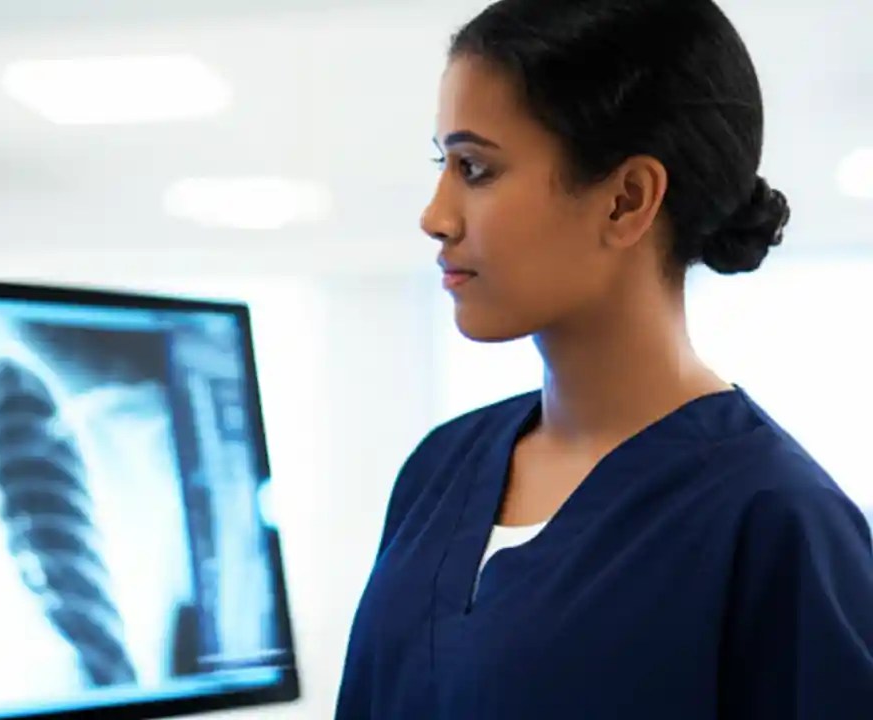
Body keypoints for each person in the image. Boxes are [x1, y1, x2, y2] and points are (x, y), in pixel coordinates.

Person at [335, 0, 873, 718]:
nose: (436, 215)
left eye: (475, 168)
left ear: (626, 200)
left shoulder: (778, 523)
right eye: (444, 164)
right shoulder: (440, 469)